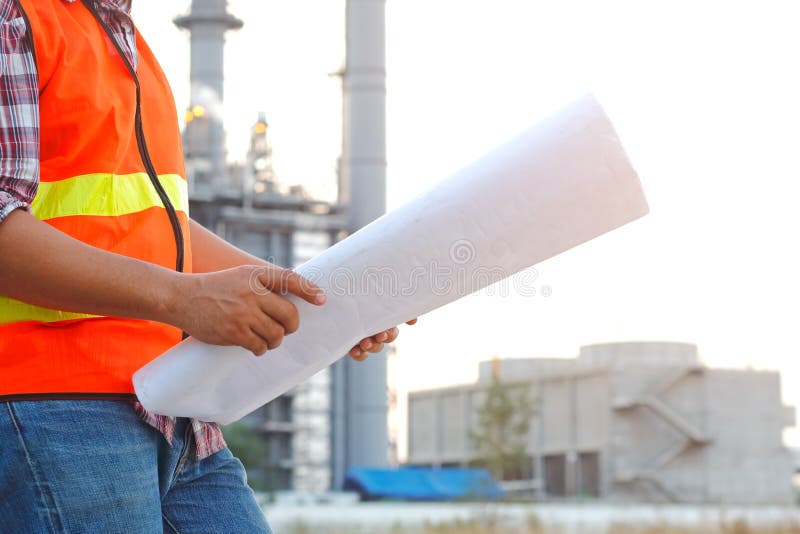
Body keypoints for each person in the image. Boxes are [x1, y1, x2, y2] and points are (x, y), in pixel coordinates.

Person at [0, 0, 411, 531]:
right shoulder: (18, 15)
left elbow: (159, 226)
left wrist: (325, 300)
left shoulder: (121, 39)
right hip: (57, 408)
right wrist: (182, 299)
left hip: (172, 404)